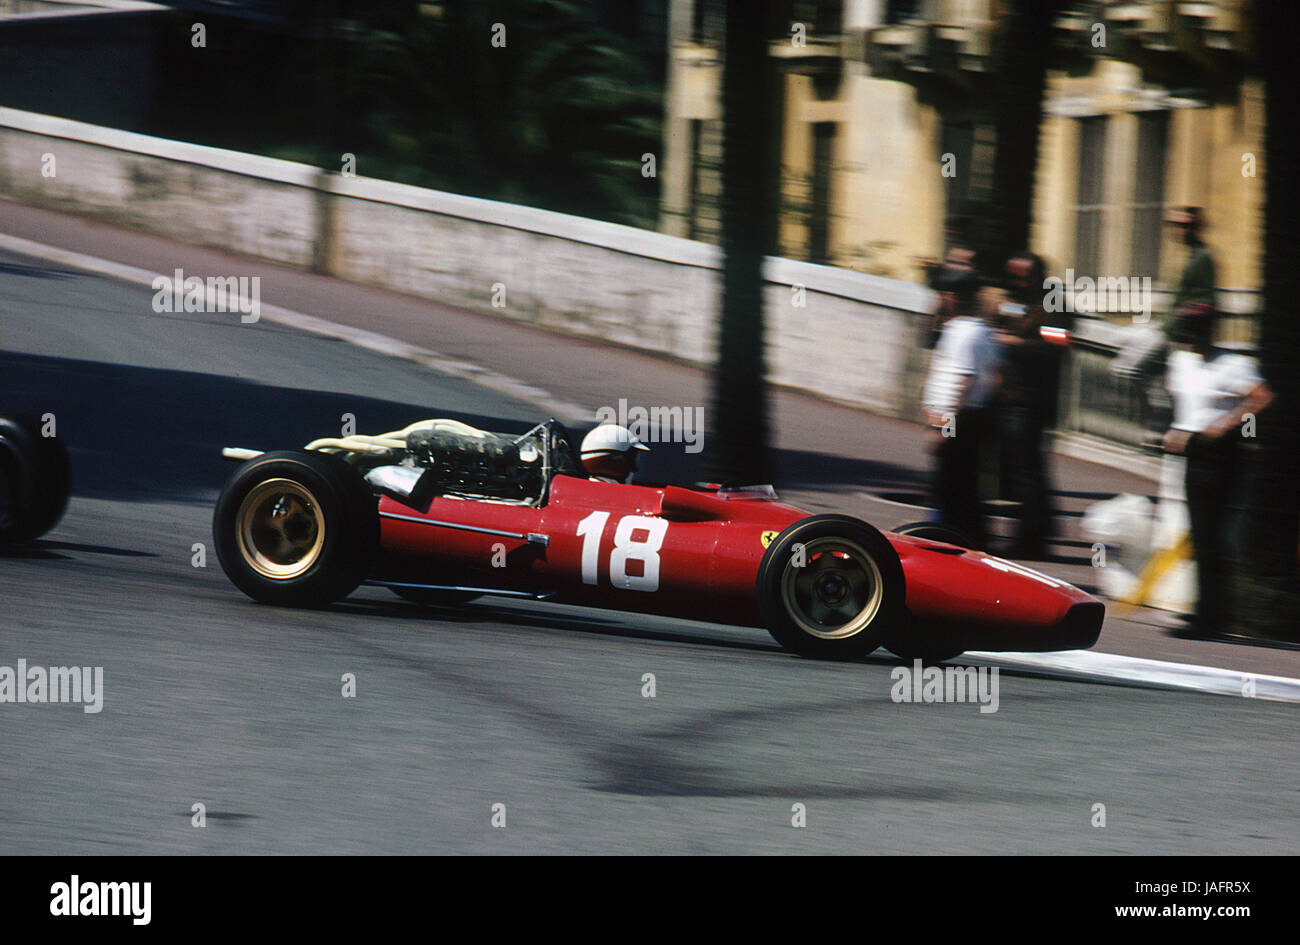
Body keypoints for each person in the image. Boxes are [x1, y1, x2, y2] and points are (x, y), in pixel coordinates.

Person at [1161, 304, 1273, 638]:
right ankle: (1205, 609)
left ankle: (1212, 618)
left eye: (1193, 334)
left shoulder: (1233, 364)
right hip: (1191, 452)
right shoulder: (1181, 362)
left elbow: (1262, 397)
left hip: (1219, 454)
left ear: (1210, 331)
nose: (1188, 341)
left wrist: (1223, 426)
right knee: (1199, 533)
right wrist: (1175, 430)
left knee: (1212, 536)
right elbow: (1184, 404)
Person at [921, 268, 1001, 548]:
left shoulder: (964, 334)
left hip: (957, 420)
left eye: (941, 295)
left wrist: (943, 427)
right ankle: (972, 539)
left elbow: (962, 381)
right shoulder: (980, 332)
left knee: (949, 488)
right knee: (962, 487)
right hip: (967, 418)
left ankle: (945, 542)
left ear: (951, 297)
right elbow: (996, 376)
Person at [993, 251, 1058, 558]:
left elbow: (1058, 344)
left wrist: (1014, 343)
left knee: (1026, 470)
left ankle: (1031, 539)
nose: (1017, 282)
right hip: (1009, 395)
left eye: (1023, 276)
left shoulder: (1052, 302)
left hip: (1031, 398)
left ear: (1038, 276)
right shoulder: (1011, 300)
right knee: (1024, 468)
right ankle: (1043, 526)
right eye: (1013, 276)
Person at [580, 423, 649, 484]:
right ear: (618, 461)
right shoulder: (618, 496)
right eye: (632, 458)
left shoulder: (583, 489)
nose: (634, 469)